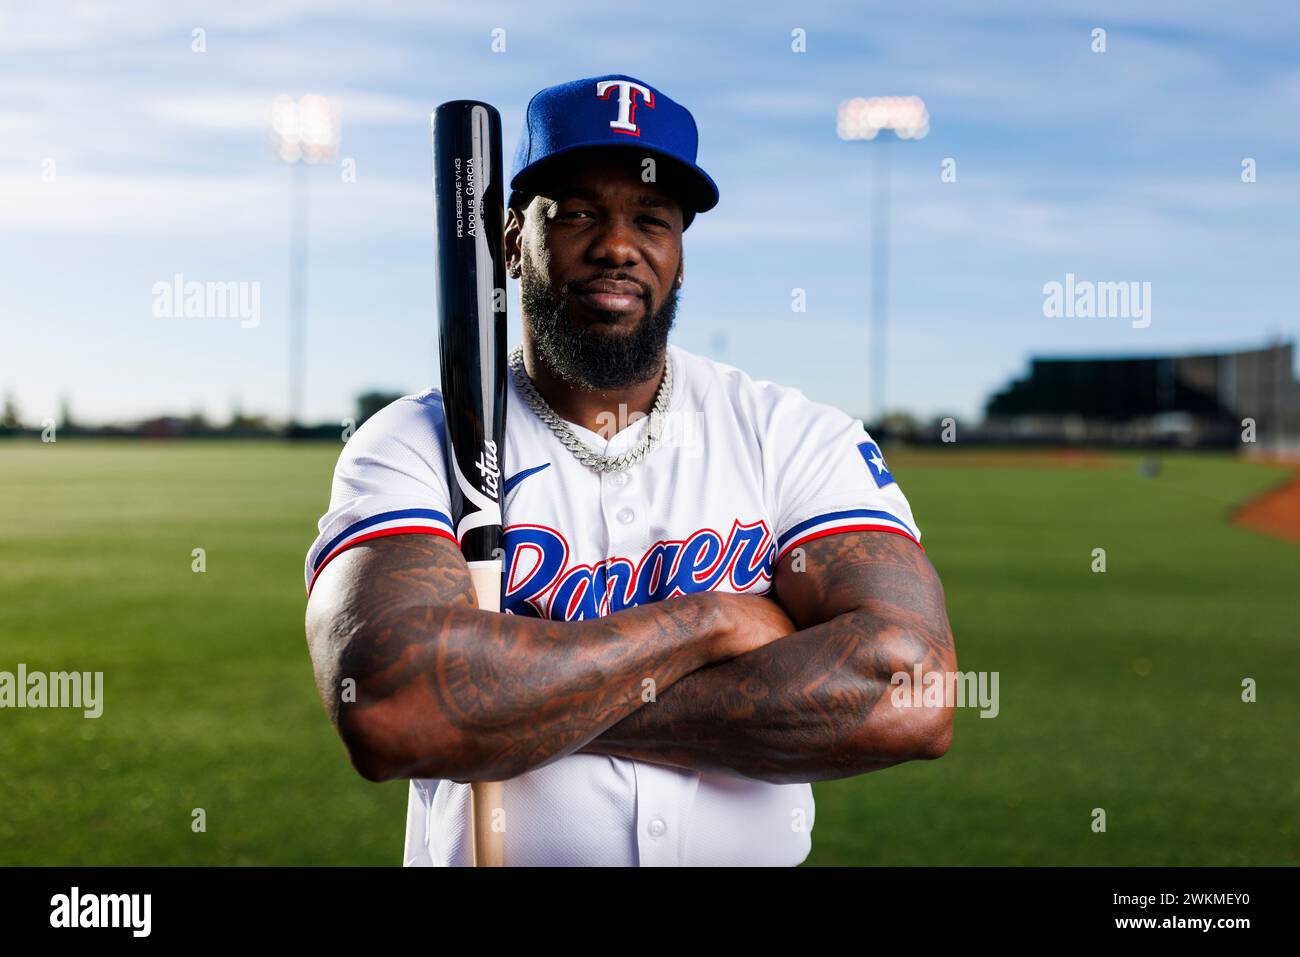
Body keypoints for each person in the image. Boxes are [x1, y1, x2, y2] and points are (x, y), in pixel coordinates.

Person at [304, 74, 956, 866]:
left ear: (679, 257)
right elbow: (392, 707)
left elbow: (911, 693)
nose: (618, 245)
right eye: (578, 213)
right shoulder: (413, 441)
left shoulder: (791, 435)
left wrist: (510, 704)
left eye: (651, 219)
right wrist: (710, 622)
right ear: (512, 240)